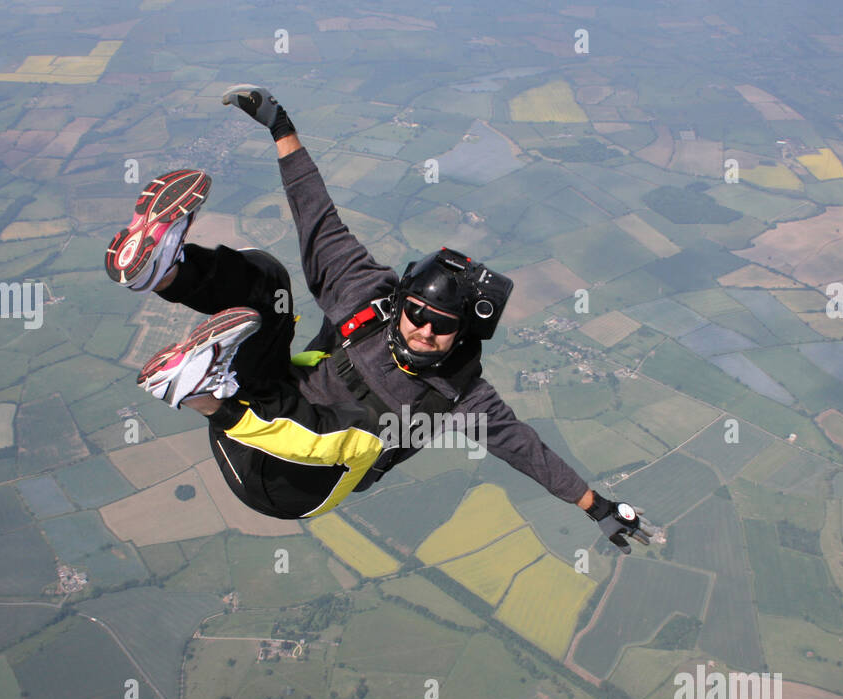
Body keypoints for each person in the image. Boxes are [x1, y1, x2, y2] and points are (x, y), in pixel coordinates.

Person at [104, 84, 653, 553]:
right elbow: (318, 218)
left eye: (443, 326)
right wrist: (281, 128)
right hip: (263, 406)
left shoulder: (461, 394)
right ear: (404, 299)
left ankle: (202, 394)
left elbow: (525, 449)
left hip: (288, 483)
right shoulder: (369, 297)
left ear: (465, 333)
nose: (423, 329)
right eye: (416, 313)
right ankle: (165, 271)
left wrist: (597, 506)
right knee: (270, 281)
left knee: (367, 433)